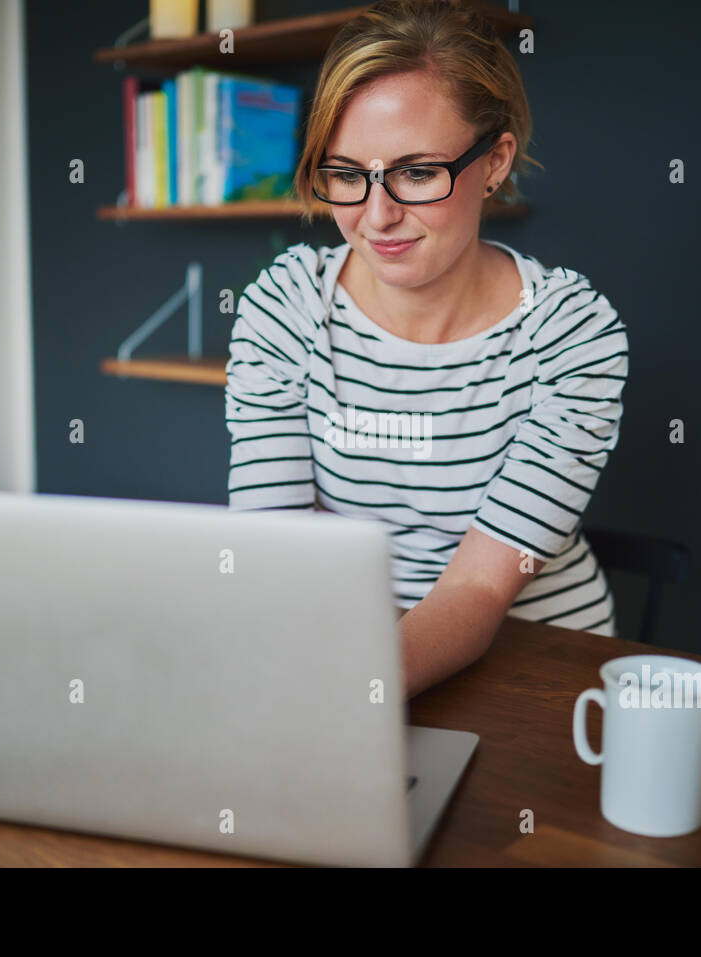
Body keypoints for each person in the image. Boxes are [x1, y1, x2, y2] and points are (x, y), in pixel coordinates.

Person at [224, 0, 629, 699]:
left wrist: (346, 697)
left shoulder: (572, 333)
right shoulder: (284, 308)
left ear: (495, 161)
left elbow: (474, 588)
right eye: (347, 173)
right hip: (347, 665)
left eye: (415, 173)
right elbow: (278, 558)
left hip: (543, 680)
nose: (376, 216)